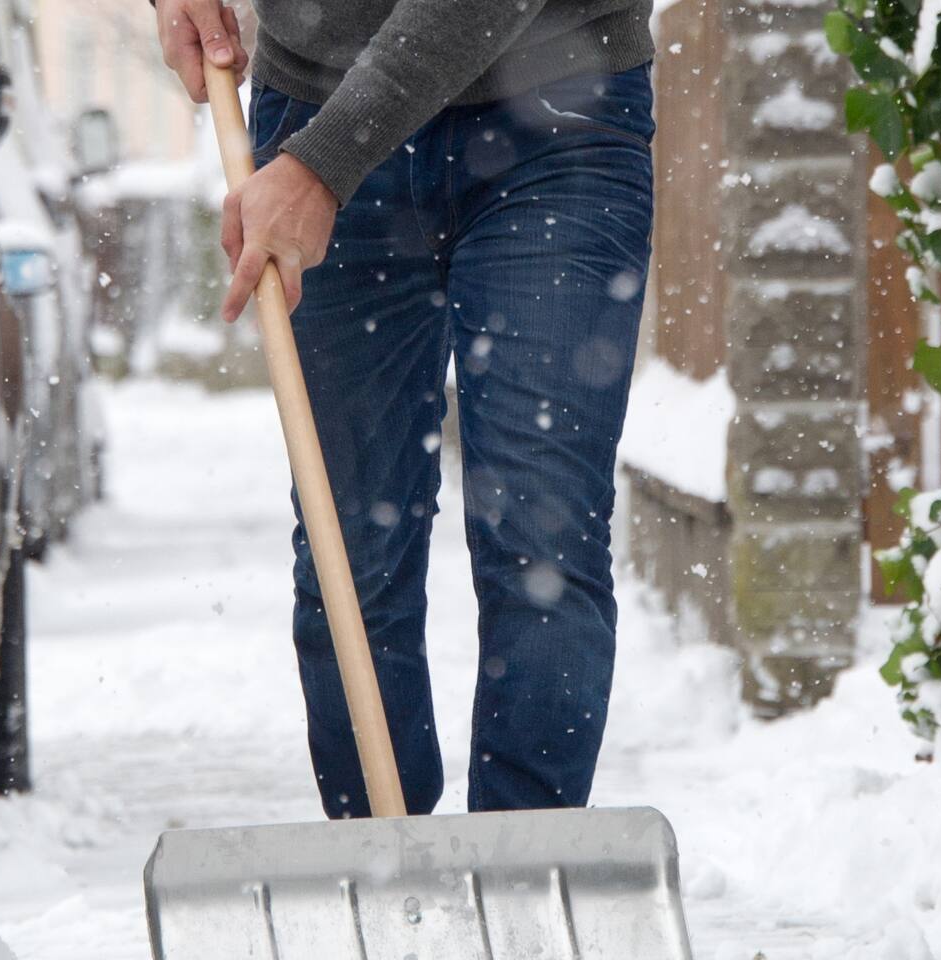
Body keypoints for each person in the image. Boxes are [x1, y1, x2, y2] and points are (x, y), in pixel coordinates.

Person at [154, 0, 655, 818]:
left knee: (543, 538)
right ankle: (387, 881)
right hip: (314, 103)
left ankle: (521, 882)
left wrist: (325, 163)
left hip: (558, 115)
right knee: (349, 550)